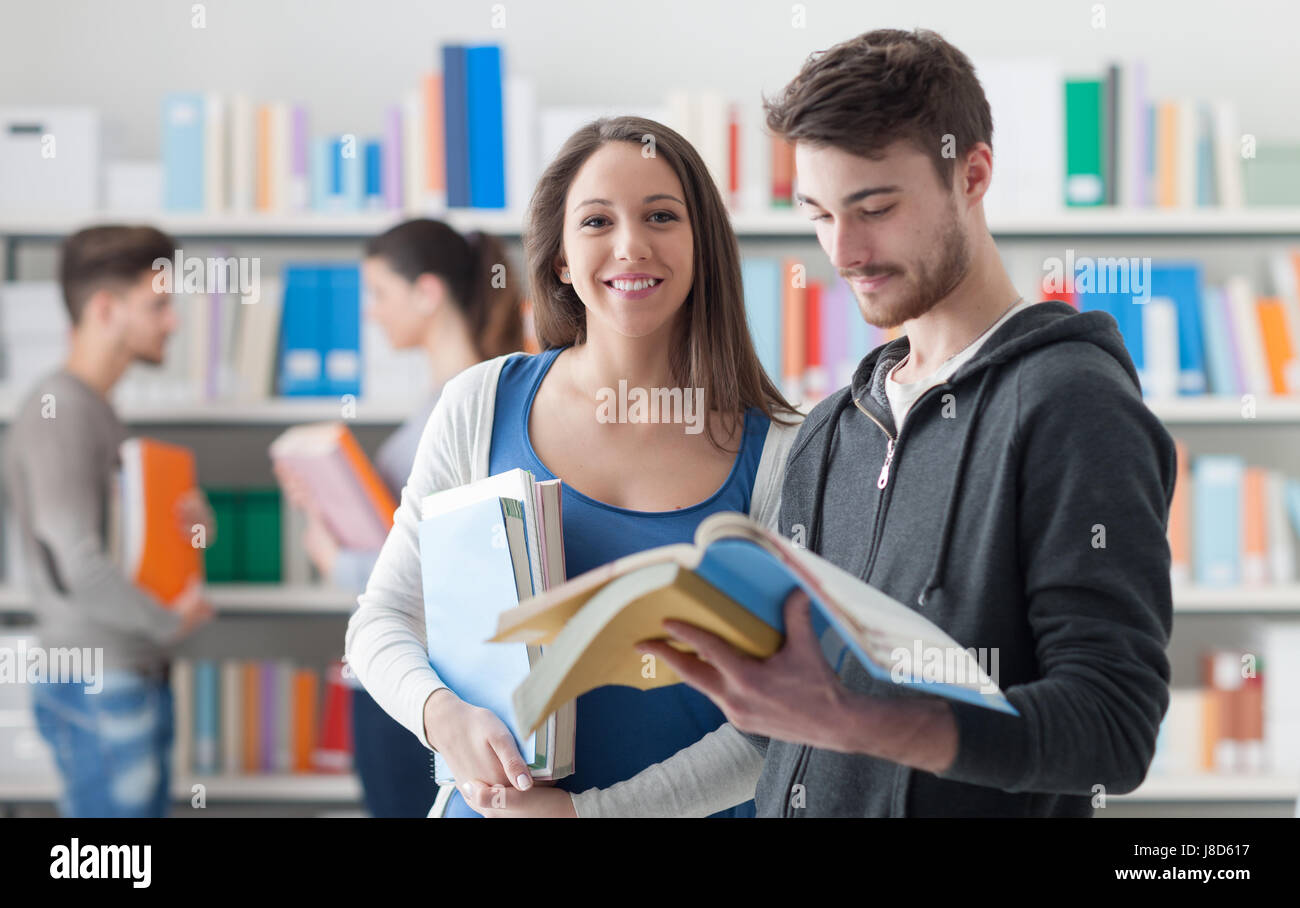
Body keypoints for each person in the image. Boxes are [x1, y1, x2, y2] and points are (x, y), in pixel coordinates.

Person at [542, 28, 1175, 818]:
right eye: (818, 214)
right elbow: (791, 727)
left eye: (874, 207)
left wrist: (863, 721)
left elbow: (1114, 729)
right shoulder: (833, 429)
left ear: (971, 174)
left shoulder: (1070, 405)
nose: (843, 250)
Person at [344, 115, 803, 818]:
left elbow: (775, 720)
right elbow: (383, 620)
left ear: (702, 247)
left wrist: (586, 817)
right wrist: (444, 719)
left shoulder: (780, 450)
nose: (631, 245)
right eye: (596, 221)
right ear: (560, 257)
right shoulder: (480, 404)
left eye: (660, 215)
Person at [274, 219, 523, 818]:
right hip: (411, 675)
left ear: (427, 293)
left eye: (380, 293)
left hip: (431, 684)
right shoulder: (446, 400)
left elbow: (460, 574)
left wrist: (339, 561)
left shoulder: (466, 407)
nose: (370, 313)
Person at [4, 225, 215, 817]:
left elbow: (114, 550)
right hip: (101, 681)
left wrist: (190, 530)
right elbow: (78, 563)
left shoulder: (94, 410)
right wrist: (169, 622)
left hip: (123, 675)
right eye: (158, 304)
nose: (172, 322)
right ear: (105, 309)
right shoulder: (61, 409)